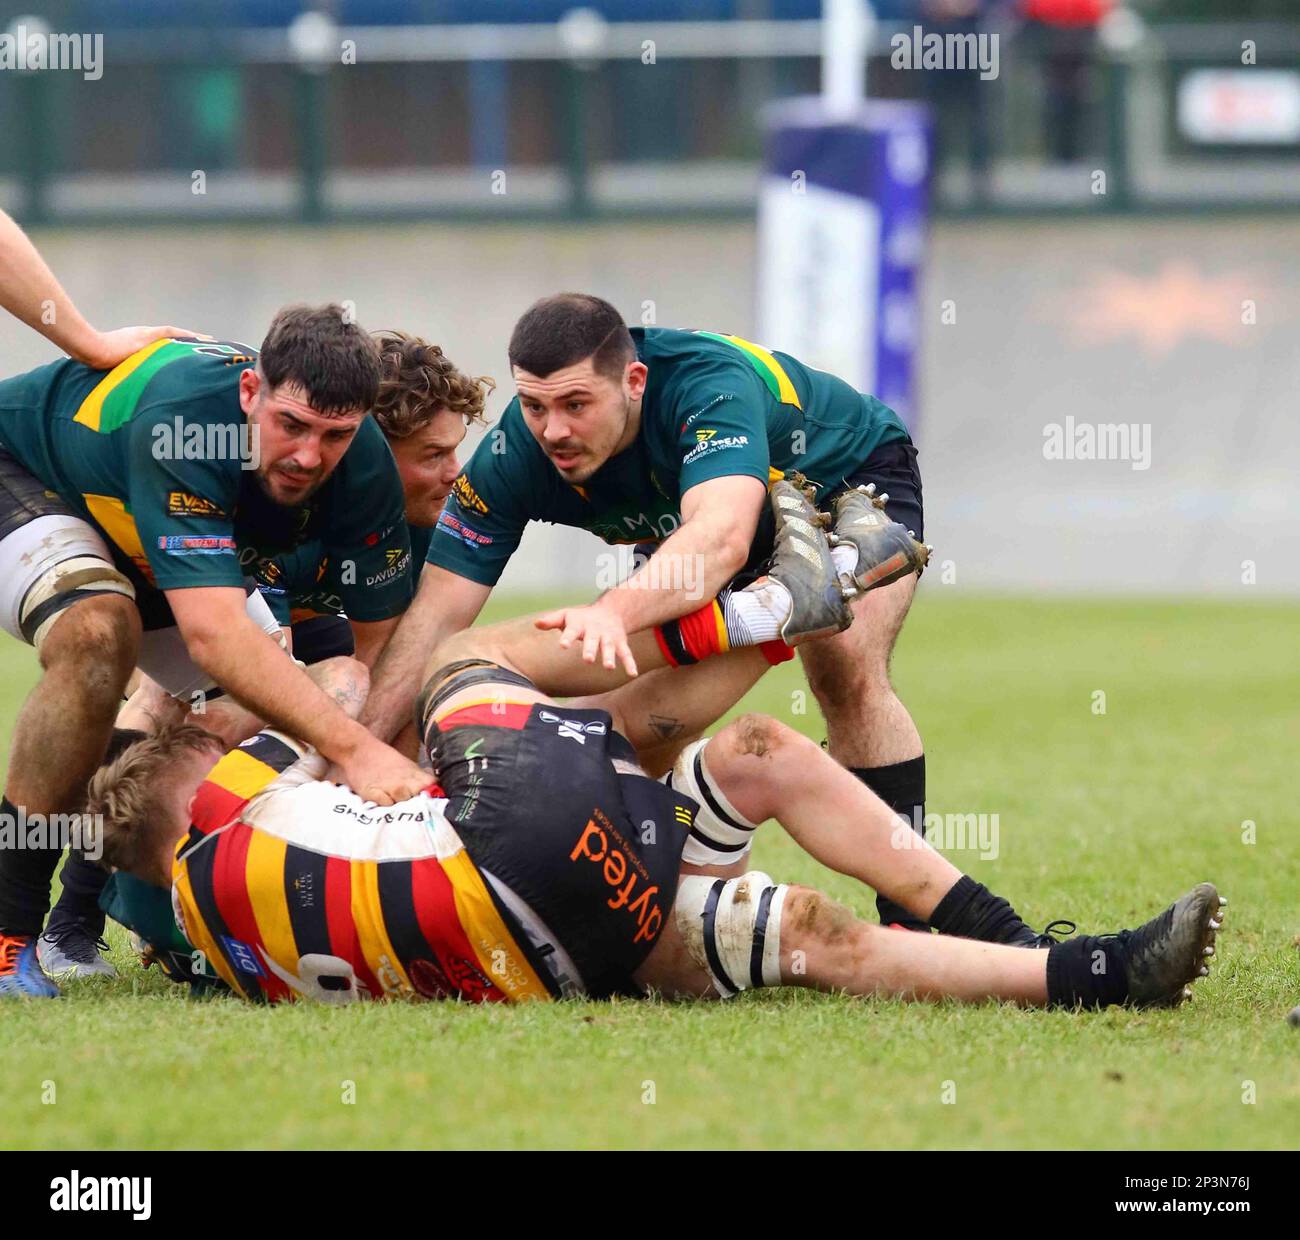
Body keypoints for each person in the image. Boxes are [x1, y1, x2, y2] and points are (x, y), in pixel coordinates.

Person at [86, 630, 1225, 1013]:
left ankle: (1068, 967)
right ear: (196, 764)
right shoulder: (231, 796)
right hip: (519, 865)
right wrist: (196, 700)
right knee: (459, 667)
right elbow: (324, 694)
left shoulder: (211, 945)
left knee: (766, 775)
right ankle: (769, 604)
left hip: (555, 945)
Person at [362, 292, 935, 933]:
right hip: (689, 523)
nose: (552, 430)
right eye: (534, 406)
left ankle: (912, 916)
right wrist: (358, 758)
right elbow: (435, 621)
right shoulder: (515, 456)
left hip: (840, 480)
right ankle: (633, 906)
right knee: (643, 722)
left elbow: (719, 539)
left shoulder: (704, 384)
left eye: (576, 405)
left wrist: (614, 610)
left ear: (634, 382)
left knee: (844, 668)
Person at [0, 301, 429, 998]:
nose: (307, 455)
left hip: (139, 533)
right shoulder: (189, 425)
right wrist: (354, 751)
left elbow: (378, 645)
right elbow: (214, 635)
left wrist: (358, 768)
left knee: (306, 699)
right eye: (290, 425)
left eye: (334, 435)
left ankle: (200, 924)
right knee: (99, 633)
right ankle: (10, 928)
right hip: (31, 477)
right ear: (250, 393)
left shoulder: (366, 465)